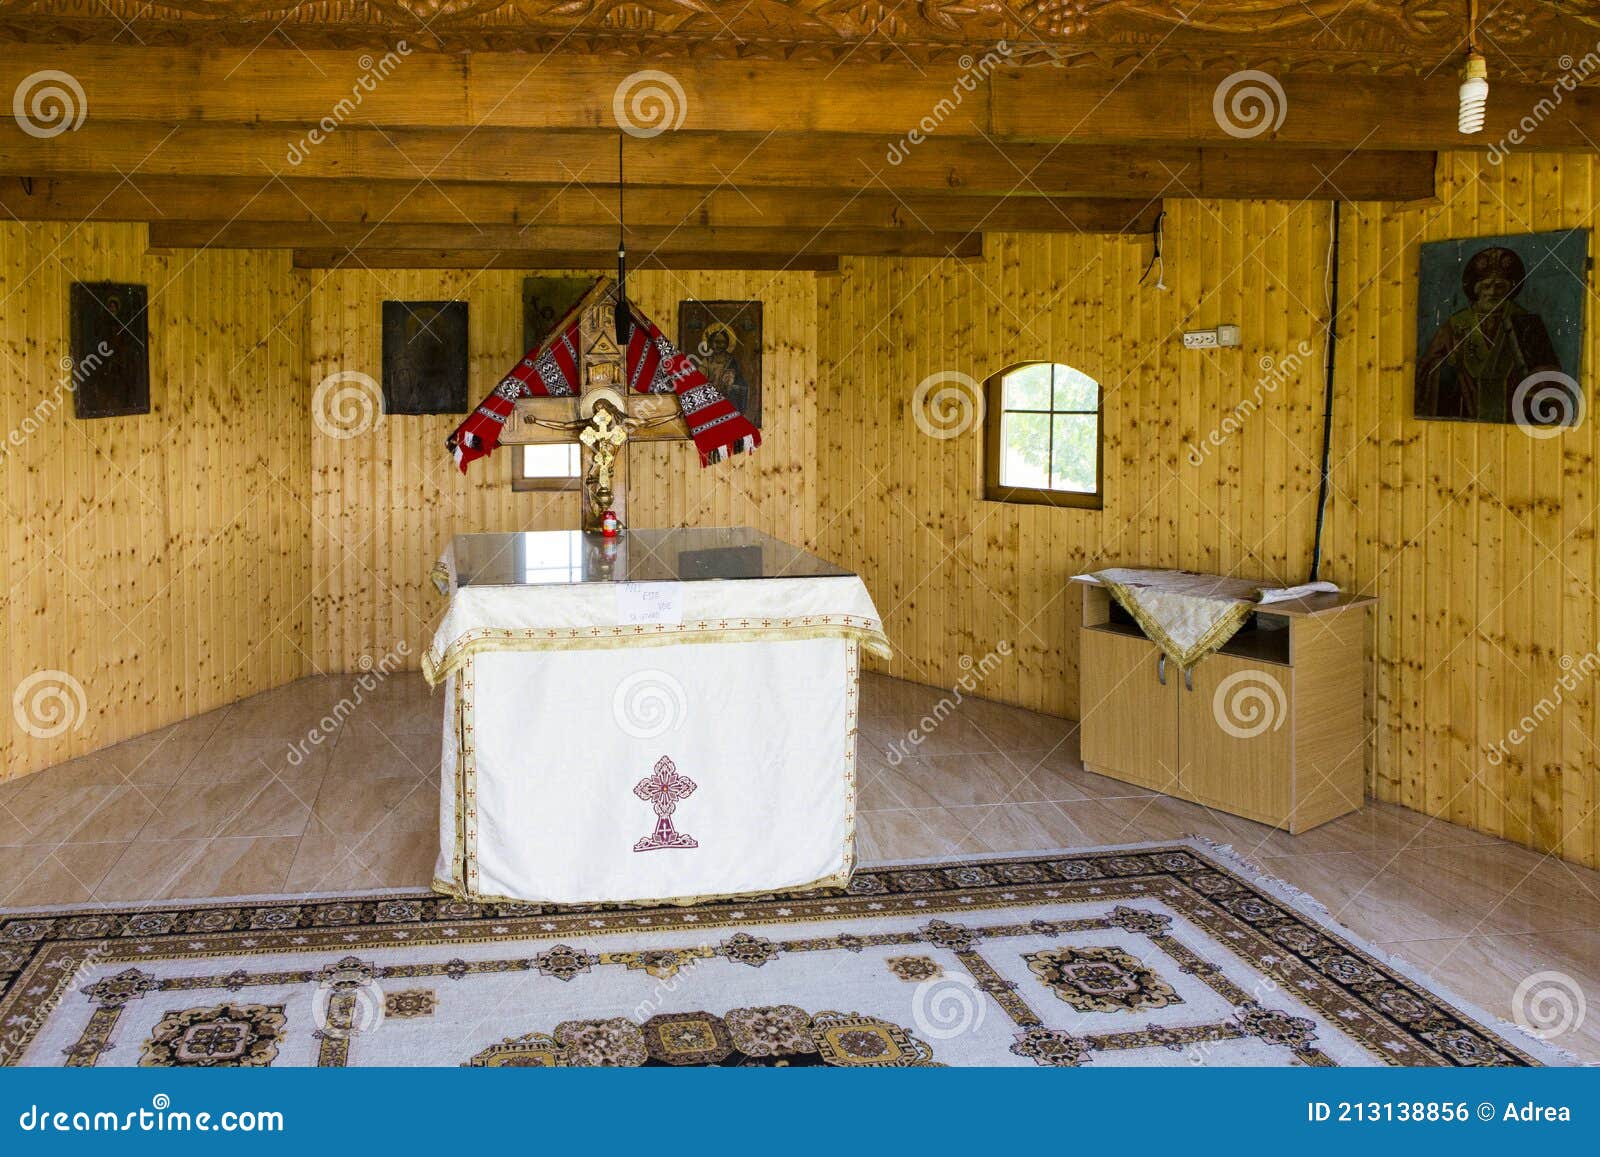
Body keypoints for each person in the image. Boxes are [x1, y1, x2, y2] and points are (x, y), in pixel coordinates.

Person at [1416, 245, 1562, 422]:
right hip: (1465, 416)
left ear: (1509, 289)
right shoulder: (1456, 324)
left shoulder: (1526, 322)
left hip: (1515, 417)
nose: (1492, 292)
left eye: (1499, 286)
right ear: (1477, 289)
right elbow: (1426, 369)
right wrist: (1450, 368)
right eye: (1486, 286)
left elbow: (1547, 374)